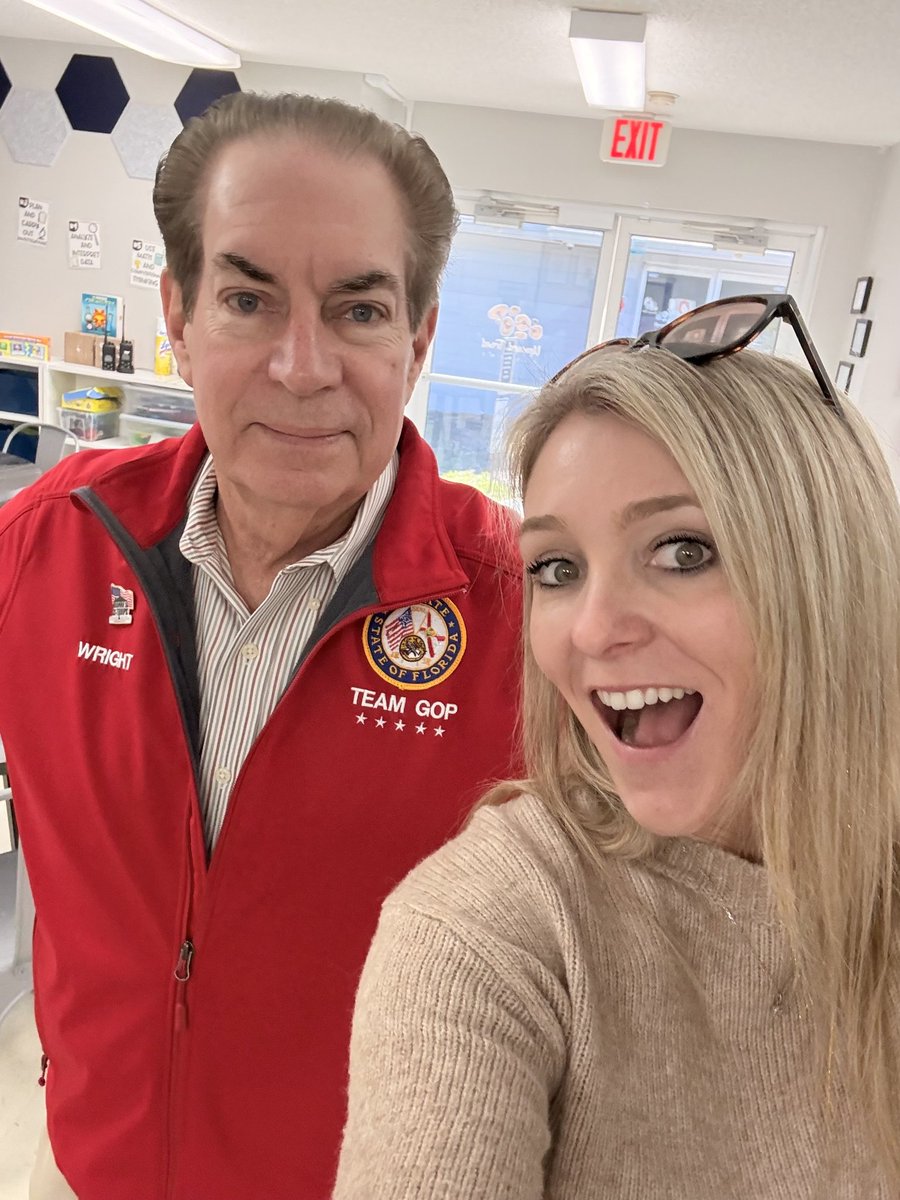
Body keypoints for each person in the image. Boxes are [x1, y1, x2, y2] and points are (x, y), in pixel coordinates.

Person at [0, 91, 522, 1199]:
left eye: (359, 310)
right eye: (248, 299)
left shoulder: (521, 613)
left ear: (419, 339)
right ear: (178, 317)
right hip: (88, 1168)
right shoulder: (49, 546)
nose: (301, 366)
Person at [334, 295, 900, 1198]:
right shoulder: (494, 925)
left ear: (832, 578)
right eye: (557, 569)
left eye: (682, 552)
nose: (593, 630)